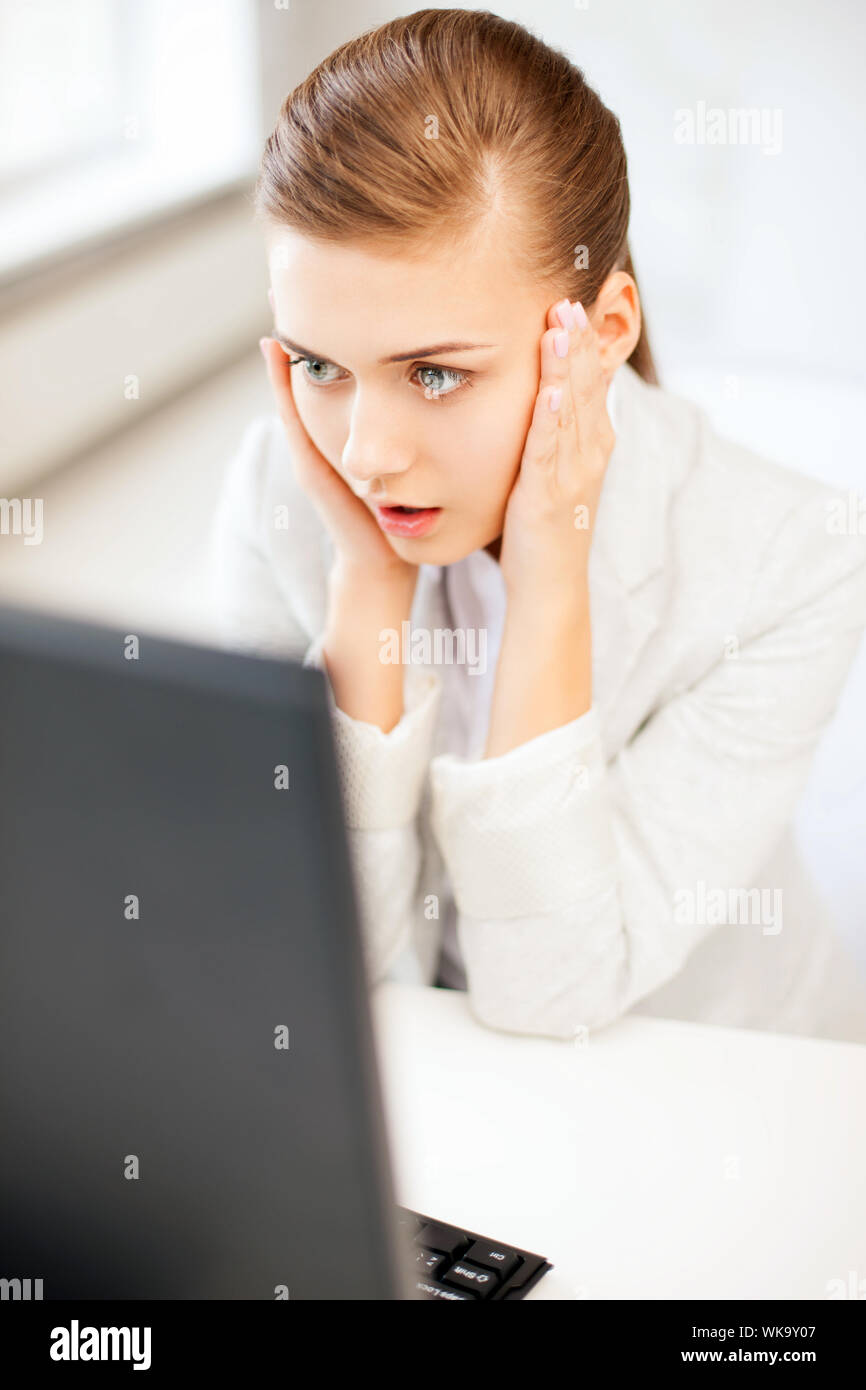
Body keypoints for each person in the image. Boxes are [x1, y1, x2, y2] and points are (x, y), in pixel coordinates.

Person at [209, 8, 866, 1043]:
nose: (365, 452)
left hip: (704, 1094)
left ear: (601, 334)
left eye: (434, 373)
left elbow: (548, 993)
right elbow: (300, 951)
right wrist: (368, 589)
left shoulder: (789, 562)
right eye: (319, 366)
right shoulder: (274, 494)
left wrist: (547, 585)